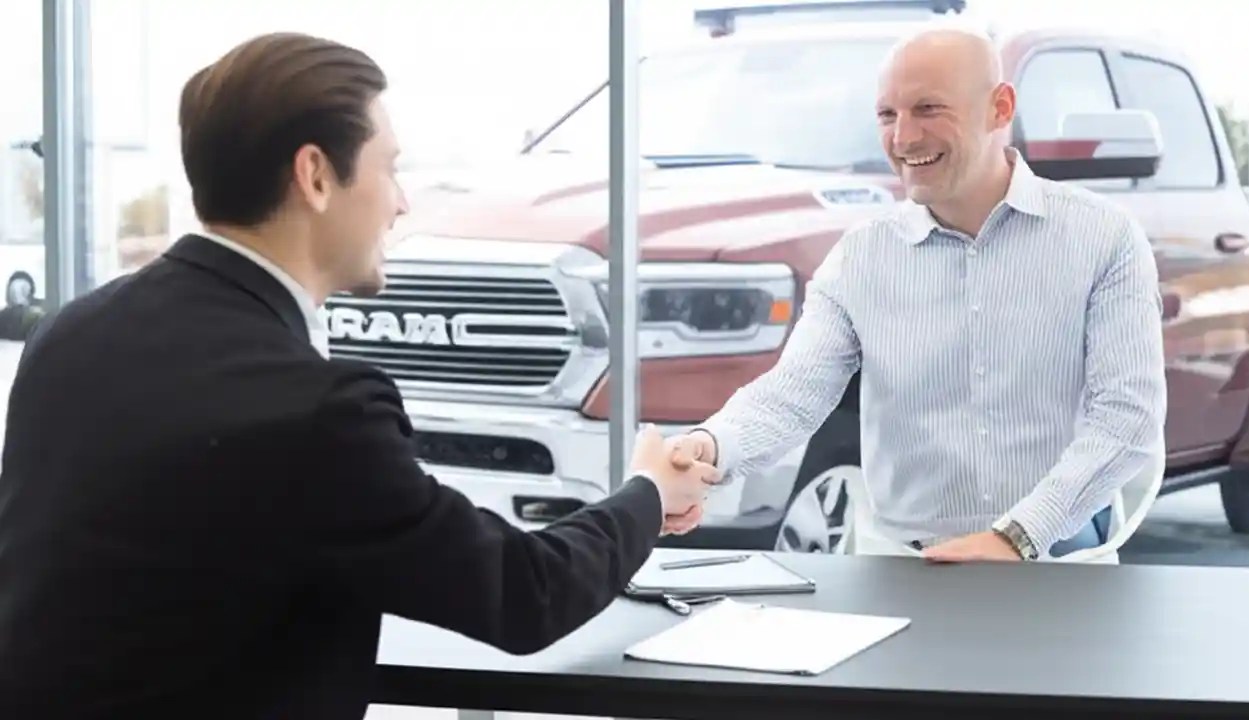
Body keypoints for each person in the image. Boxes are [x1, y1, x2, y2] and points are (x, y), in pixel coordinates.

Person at [0, 33, 718, 719]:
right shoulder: (316, 410)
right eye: (390, 168)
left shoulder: (68, 333)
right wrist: (650, 494)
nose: (401, 202)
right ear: (315, 175)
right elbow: (526, 594)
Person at [664, 26, 1166, 561]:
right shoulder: (859, 259)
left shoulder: (1103, 238)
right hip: (908, 567)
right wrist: (709, 448)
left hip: (1058, 562)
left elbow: (1126, 417)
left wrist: (1016, 537)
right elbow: (791, 396)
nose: (903, 138)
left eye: (928, 109)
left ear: (999, 108)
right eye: (888, 115)